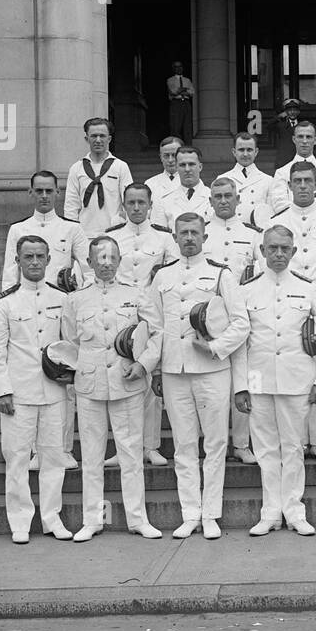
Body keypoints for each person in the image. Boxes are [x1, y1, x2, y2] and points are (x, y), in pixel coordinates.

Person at [147, 213, 250, 539]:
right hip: (176, 371)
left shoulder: (221, 275)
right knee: (184, 445)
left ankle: (211, 514)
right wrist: (155, 366)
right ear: (175, 238)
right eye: (183, 233)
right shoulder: (162, 276)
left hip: (211, 372)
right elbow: (154, 325)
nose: (189, 238)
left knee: (217, 443)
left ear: (205, 236)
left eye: (194, 232)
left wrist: (217, 347)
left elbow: (241, 323)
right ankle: (190, 513)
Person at [232, 225, 316, 536]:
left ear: (293, 252)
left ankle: (294, 510)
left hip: (297, 380)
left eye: (284, 249)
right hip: (259, 380)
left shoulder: (309, 288)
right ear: (262, 251)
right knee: (265, 450)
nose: (278, 254)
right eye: (272, 248)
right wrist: (241, 386)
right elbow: (241, 344)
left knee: (293, 447)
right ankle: (270, 512)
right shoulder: (245, 290)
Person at [63, 236, 162, 541]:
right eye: (99, 258)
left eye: (111, 258)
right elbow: (70, 342)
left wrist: (143, 364)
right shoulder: (75, 299)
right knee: (91, 456)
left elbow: (156, 334)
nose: (106, 264)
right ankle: (92, 520)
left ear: (120, 261)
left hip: (126, 382)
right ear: (89, 262)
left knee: (131, 454)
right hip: (90, 385)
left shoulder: (137, 294)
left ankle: (137, 519)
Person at [0, 235, 72, 542]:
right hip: (18, 392)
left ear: (49, 261)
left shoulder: (63, 299)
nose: (34, 262)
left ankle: (52, 518)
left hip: (53, 391)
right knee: (17, 457)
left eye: (39, 256)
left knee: (53, 457)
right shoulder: (6, 302)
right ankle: (20, 521)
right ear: (18, 262)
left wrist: (69, 376)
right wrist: (1, 391)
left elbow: (70, 344)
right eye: (28, 257)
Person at [1, 170, 88, 470]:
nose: (44, 196)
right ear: (30, 193)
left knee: (63, 380)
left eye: (49, 191)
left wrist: (76, 290)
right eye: (38, 190)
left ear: (58, 193)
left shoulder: (72, 228)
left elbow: (86, 270)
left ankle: (61, 448)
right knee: (32, 383)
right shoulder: (18, 229)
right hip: (24, 307)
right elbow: (9, 274)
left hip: (60, 309)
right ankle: (34, 451)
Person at [268, 162, 316, 463]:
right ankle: (296, 440)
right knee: (295, 367)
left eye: (307, 181)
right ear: (289, 185)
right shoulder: (277, 220)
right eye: (297, 181)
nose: (302, 186)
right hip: (289, 296)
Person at [106, 183, 179, 468]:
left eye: (141, 203)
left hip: (153, 313)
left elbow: (171, 274)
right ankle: (122, 446)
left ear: (150, 205)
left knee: (150, 382)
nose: (136, 208)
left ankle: (150, 446)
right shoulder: (112, 237)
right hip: (121, 313)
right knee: (120, 379)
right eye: (131, 203)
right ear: (123, 206)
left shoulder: (163, 238)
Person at [202, 176, 263, 464]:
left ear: (238, 200)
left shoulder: (252, 234)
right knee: (210, 385)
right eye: (218, 196)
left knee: (244, 380)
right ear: (210, 200)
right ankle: (212, 443)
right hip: (209, 319)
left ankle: (241, 443)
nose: (223, 200)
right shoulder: (202, 233)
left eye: (228, 196)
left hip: (243, 316)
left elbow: (259, 273)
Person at [64, 118, 134, 237]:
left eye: (102, 136)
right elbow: (71, 205)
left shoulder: (120, 166)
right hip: (84, 234)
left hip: (114, 233)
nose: (98, 140)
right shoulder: (76, 168)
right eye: (94, 136)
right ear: (87, 139)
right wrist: (73, 234)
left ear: (109, 139)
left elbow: (129, 200)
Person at [221, 131, 281, 222]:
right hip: (231, 232)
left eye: (249, 150)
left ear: (256, 152)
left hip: (257, 233)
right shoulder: (222, 179)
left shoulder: (268, 181)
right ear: (234, 152)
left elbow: (271, 214)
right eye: (241, 150)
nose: (245, 154)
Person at [151, 145, 212, 230]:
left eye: (191, 164)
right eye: (182, 165)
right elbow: (159, 236)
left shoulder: (212, 197)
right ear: (176, 167)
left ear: (200, 167)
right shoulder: (164, 202)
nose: (187, 169)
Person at [273, 119, 316, 201]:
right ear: (294, 139)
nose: (304, 141)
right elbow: (279, 202)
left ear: (315, 140)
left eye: (308, 137)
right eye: (300, 137)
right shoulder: (281, 173)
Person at [149, 135, 186, 201]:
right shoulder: (150, 184)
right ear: (161, 157)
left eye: (174, 155)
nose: (170, 160)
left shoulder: (192, 182)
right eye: (166, 156)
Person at [166, 62, 195, 140]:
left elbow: (192, 92)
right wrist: (185, 89)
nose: (179, 68)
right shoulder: (170, 80)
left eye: (180, 66)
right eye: (176, 67)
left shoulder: (187, 80)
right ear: (173, 69)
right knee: (175, 126)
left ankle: (188, 145)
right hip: (176, 103)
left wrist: (180, 90)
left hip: (186, 102)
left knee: (187, 125)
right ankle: (176, 145)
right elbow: (173, 91)